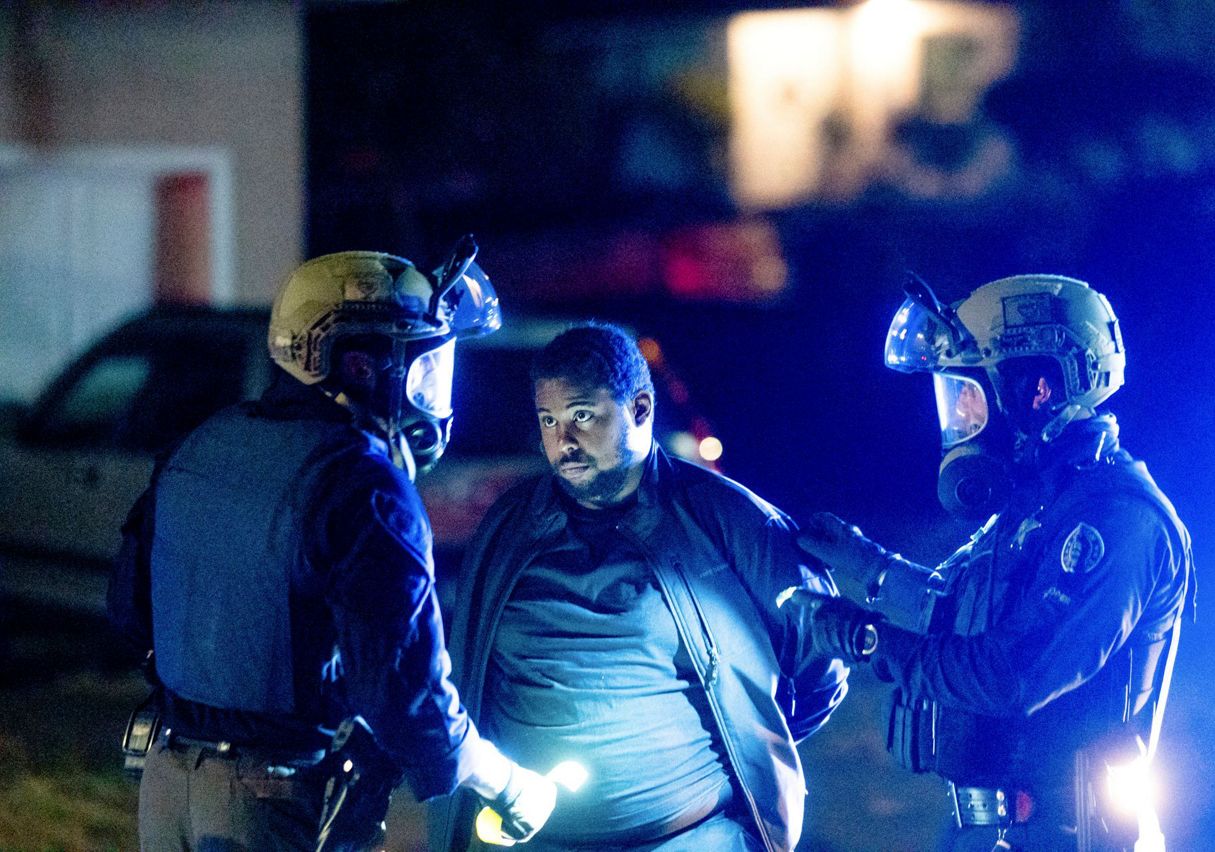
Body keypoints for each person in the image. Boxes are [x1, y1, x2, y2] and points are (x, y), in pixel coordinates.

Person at [107, 240, 558, 851]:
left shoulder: (204, 443)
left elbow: (131, 616)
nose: (433, 393)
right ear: (362, 366)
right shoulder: (362, 484)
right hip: (266, 796)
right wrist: (505, 782)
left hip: (165, 783)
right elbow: (403, 688)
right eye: (422, 365)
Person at [786, 274, 1195, 851]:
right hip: (986, 833)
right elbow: (949, 606)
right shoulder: (1039, 501)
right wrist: (862, 561)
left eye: (969, 394)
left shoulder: (1116, 520)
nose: (958, 419)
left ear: (1038, 389)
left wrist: (866, 640)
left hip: (1075, 837)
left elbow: (1011, 675)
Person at [432, 323, 850, 851]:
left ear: (641, 409)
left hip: (692, 837)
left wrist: (751, 740)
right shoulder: (509, 527)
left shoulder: (726, 520)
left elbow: (824, 657)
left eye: (583, 415)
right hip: (534, 839)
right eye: (549, 420)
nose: (564, 441)